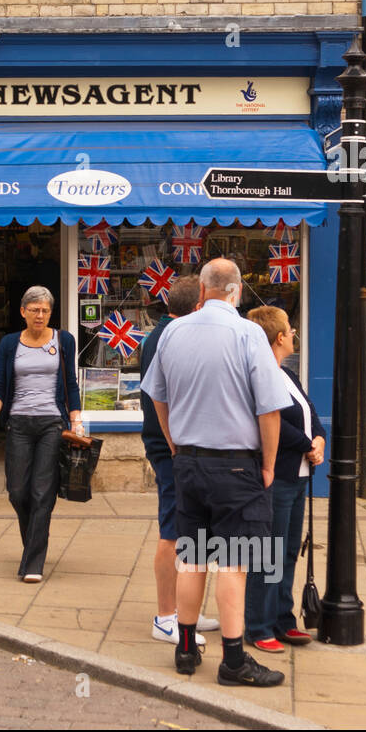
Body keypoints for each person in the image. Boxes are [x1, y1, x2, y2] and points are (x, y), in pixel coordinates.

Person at [144, 258, 290, 687]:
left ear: (203, 290)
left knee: (191, 557)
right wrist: (267, 463)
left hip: (188, 464)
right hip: (235, 465)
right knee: (235, 562)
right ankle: (232, 661)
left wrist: (175, 444)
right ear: (237, 291)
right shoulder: (248, 334)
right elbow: (270, 408)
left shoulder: (173, 332)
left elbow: (156, 395)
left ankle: (186, 648)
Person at [0, 287, 81, 583]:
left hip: (51, 423)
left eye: (45, 310)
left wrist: (76, 420)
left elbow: (71, 384)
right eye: (34, 309)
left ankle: (33, 562)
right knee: (17, 491)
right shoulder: (10, 344)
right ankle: (34, 545)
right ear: (22, 311)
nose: (40, 315)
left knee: (42, 492)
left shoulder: (64, 341)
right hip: (19, 424)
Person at [140, 276, 219, 645]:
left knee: (189, 528)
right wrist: (175, 444)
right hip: (171, 447)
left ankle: (186, 610)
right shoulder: (169, 337)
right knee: (172, 530)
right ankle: (166, 616)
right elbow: (163, 398)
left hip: (177, 445)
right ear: (199, 305)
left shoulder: (166, 333)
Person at [243, 306, 325, 653]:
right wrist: (307, 444)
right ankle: (258, 625)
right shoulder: (260, 374)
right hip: (277, 476)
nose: (294, 334)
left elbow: (309, 412)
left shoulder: (288, 375)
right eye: (290, 330)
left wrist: (320, 438)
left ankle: (283, 619)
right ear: (279, 337)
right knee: (268, 553)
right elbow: (272, 420)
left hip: (300, 475)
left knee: (290, 551)